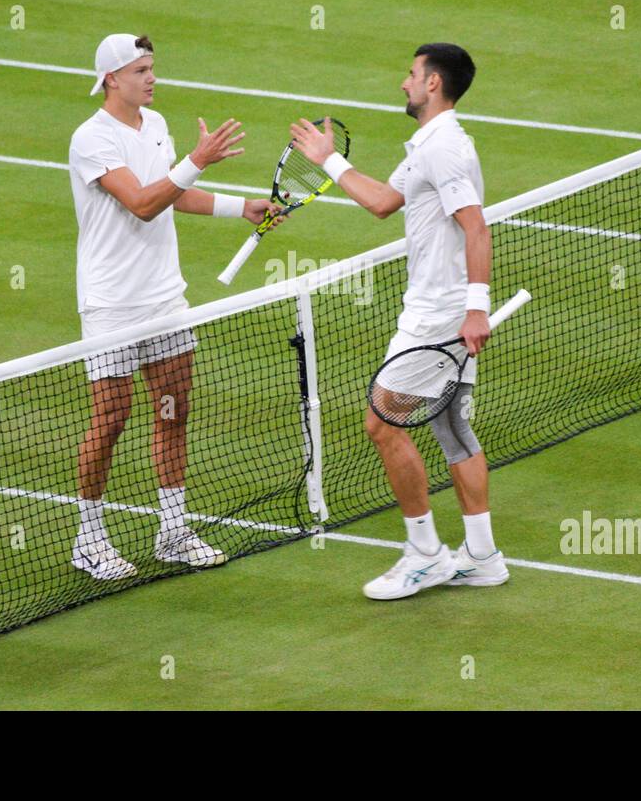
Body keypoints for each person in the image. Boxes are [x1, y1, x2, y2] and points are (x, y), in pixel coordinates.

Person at [289, 43, 509, 600]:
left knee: (382, 424)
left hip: (438, 315)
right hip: (441, 309)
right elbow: (385, 201)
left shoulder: (445, 150)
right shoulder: (430, 145)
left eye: (411, 74)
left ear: (434, 84)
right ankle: (482, 556)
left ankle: (425, 554)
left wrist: (476, 307)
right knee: (453, 427)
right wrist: (328, 160)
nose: (403, 83)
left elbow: (476, 226)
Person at [68, 33, 279, 580]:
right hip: (112, 304)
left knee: (172, 411)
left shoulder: (155, 126)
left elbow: (172, 193)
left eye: (152, 68)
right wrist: (198, 159)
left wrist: (241, 208)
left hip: (165, 298)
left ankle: (173, 530)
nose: (151, 77)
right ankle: (89, 538)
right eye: (141, 70)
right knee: (110, 420)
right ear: (112, 79)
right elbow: (140, 204)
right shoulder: (90, 139)